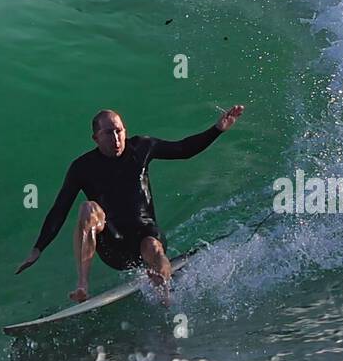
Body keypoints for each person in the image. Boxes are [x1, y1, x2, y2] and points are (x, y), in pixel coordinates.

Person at [15, 105, 244, 302]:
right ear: (95, 138)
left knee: (153, 248)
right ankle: (83, 286)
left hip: (145, 233)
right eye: (108, 133)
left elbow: (183, 149)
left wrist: (217, 129)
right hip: (112, 245)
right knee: (87, 208)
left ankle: (163, 284)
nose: (116, 138)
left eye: (119, 131)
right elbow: (59, 209)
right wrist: (38, 248)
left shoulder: (142, 147)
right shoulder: (82, 167)